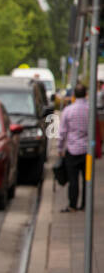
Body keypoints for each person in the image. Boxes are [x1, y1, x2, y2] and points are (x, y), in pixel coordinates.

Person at [59, 83, 90, 211]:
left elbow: (62, 132)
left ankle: (72, 205)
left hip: (72, 150)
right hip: (87, 150)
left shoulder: (68, 110)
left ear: (73, 95)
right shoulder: (90, 109)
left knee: (73, 180)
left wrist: (60, 148)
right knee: (87, 179)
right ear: (86, 94)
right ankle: (85, 204)